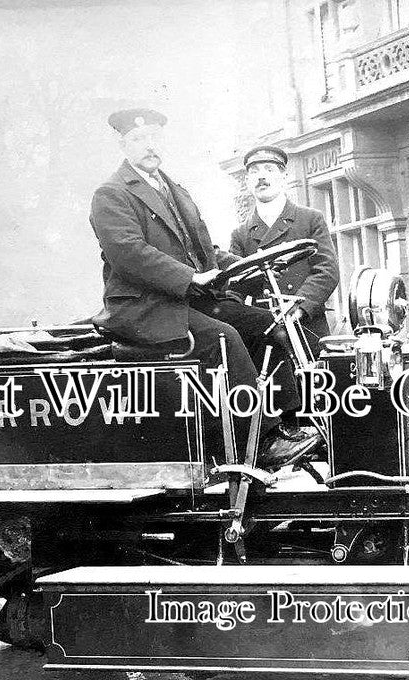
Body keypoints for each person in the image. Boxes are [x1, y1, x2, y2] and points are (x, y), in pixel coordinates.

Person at [88, 108, 321, 470]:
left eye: (154, 138)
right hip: (145, 308)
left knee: (268, 326)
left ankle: (289, 425)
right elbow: (128, 252)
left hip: (185, 302)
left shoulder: (174, 190)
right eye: (138, 139)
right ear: (123, 145)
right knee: (222, 338)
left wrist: (252, 265)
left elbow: (203, 250)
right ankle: (260, 441)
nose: (149, 146)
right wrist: (189, 277)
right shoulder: (112, 194)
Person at [229, 145, 339, 351]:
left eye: (269, 169)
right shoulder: (241, 234)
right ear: (247, 181)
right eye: (254, 171)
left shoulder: (310, 219)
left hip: (307, 327)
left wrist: (300, 307)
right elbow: (235, 286)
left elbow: (327, 270)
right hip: (264, 333)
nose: (261, 176)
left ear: (284, 177)